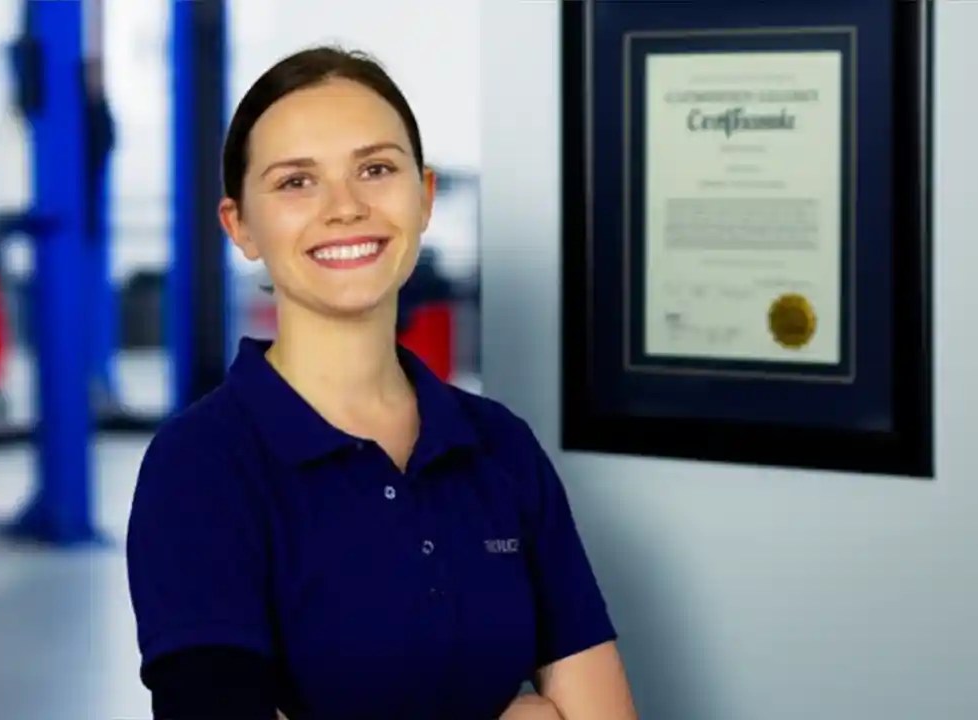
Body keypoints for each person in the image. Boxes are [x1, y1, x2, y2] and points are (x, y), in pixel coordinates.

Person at [126, 46, 638, 720]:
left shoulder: (500, 445)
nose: (345, 207)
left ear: (424, 197)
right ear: (240, 225)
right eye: (296, 181)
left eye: (375, 169)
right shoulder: (200, 466)